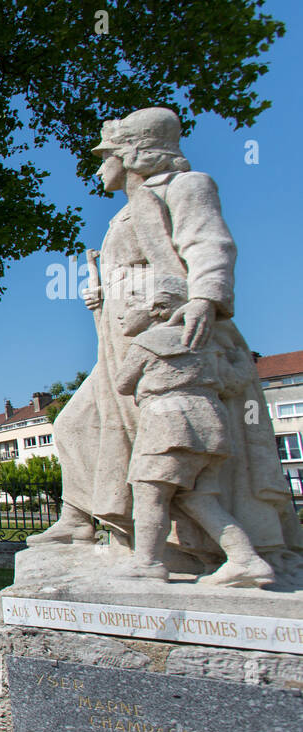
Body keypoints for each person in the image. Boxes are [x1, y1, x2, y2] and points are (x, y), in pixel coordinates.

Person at [30, 107, 303, 585]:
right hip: (124, 335)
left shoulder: (187, 187)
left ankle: (167, 551)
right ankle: (79, 519)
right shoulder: (127, 208)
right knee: (75, 423)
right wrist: (102, 297)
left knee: (132, 449)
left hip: (170, 333)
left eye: (105, 157)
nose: (99, 169)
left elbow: (209, 244)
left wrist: (205, 297)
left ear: (131, 154)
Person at [115, 302, 273, 587]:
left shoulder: (147, 342)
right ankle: (245, 559)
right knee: (200, 498)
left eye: (131, 305)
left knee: (150, 493)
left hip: (167, 425)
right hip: (213, 426)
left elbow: (122, 384)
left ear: (158, 309)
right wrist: (242, 361)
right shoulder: (208, 345)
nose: (121, 314)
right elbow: (233, 383)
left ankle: (147, 562)